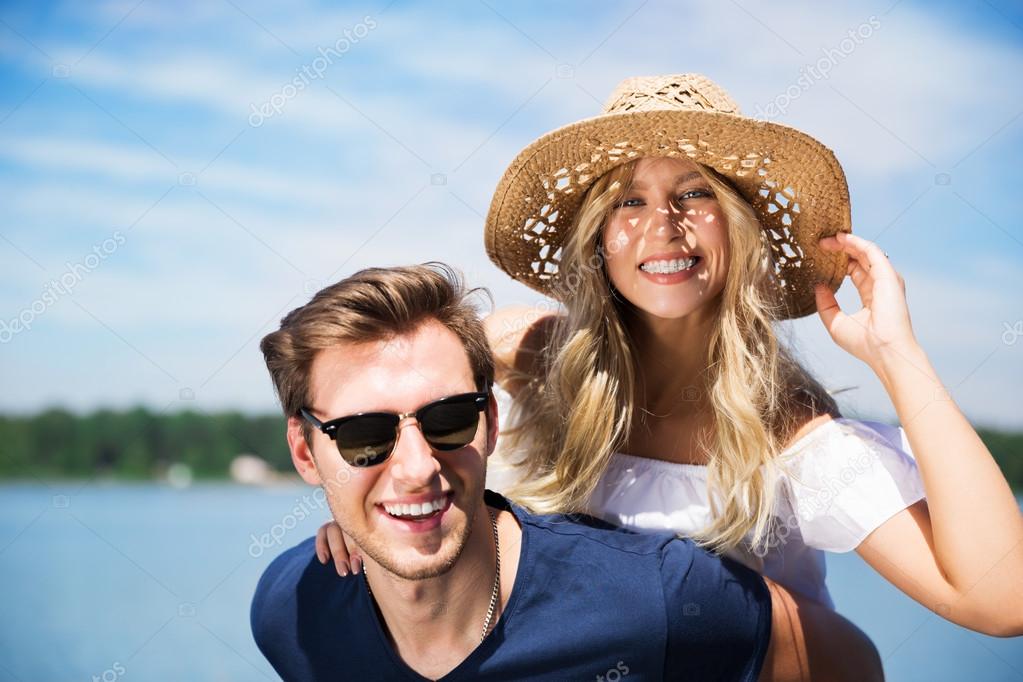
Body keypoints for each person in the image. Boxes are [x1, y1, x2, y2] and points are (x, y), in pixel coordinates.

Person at [317, 75, 1023, 638]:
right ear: (598, 241)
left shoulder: (791, 436)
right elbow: (378, 413)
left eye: (695, 193)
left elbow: (1002, 600)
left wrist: (898, 357)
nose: (664, 225)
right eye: (628, 202)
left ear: (740, 229)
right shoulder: (524, 353)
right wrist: (371, 520)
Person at [252, 264, 881, 681]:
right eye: (364, 436)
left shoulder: (659, 598)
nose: (417, 468)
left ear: (489, 423)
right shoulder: (294, 609)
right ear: (306, 453)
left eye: (448, 420)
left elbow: (855, 668)